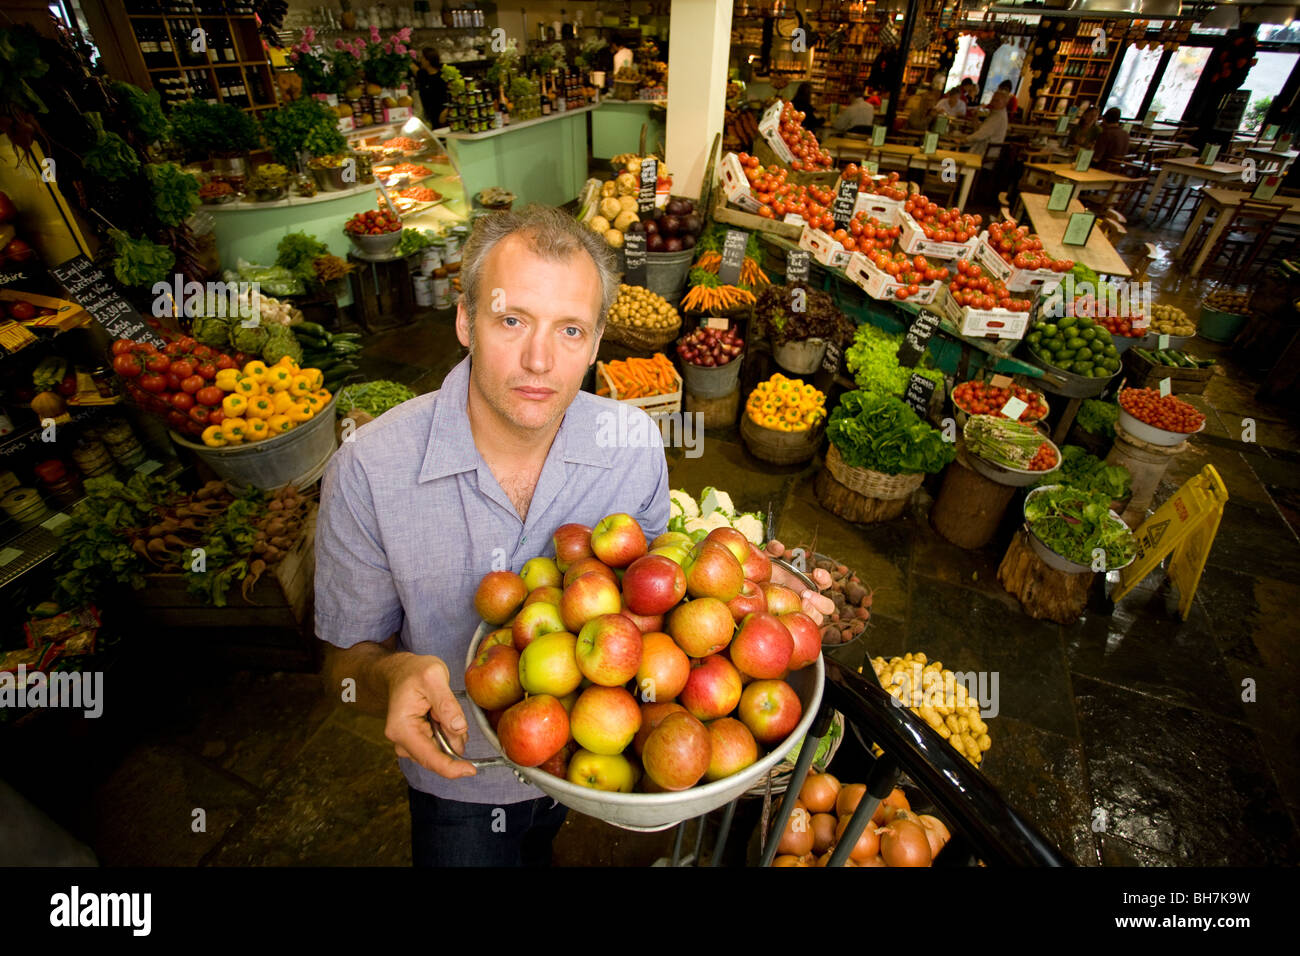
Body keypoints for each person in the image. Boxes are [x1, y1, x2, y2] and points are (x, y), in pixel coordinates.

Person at [313, 206, 834, 867]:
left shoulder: (633, 444)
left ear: (594, 346)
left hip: (594, 761)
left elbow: (656, 597)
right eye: (511, 320)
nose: (539, 359)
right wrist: (387, 676)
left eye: (569, 330)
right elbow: (341, 672)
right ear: (465, 320)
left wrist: (750, 586)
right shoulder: (369, 469)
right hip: (458, 779)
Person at [964, 89, 1010, 159]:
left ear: (1005, 104)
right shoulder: (996, 114)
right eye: (992, 100)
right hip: (982, 152)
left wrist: (964, 140)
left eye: (997, 101)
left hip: (984, 156)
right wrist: (975, 118)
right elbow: (980, 131)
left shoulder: (998, 117)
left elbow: (981, 134)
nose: (993, 103)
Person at [414, 47, 448, 127]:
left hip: (441, 118)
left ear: (428, 60)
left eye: (422, 58)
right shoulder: (423, 75)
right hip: (429, 118)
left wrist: (445, 112)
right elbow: (413, 68)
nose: (420, 60)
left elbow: (453, 97)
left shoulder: (442, 77)